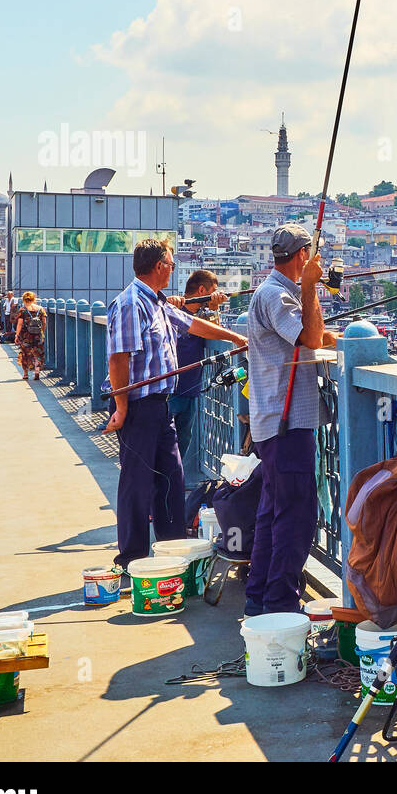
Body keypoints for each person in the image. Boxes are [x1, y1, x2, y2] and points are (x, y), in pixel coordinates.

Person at [102, 239, 247, 574]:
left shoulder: (158, 302)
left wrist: (233, 337)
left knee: (171, 478)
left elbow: (191, 324)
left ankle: (171, 550)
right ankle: (131, 559)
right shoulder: (130, 303)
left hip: (162, 406)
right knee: (137, 483)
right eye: (170, 263)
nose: (172, 269)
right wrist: (121, 407)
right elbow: (118, 359)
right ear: (158, 266)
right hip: (139, 407)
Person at [244, 224, 336, 616]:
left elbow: (313, 335)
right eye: (310, 256)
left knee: (272, 512)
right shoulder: (278, 295)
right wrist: (312, 287)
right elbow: (311, 340)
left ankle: (259, 598)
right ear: (301, 256)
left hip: (273, 424)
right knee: (296, 517)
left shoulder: (274, 293)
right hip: (286, 426)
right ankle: (280, 604)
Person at [169, 270, 225, 495]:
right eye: (211, 292)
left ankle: (173, 491)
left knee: (182, 444)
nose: (214, 295)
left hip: (190, 391)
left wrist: (215, 309)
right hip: (169, 391)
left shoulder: (202, 316)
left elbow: (217, 334)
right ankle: (157, 496)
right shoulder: (173, 311)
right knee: (164, 446)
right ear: (201, 290)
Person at [14, 292, 46, 380]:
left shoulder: (23, 310)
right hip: (38, 335)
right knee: (38, 353)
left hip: (26, 335)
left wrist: (17, 335)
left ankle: (26, 374)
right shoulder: (40, 309)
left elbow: (20, 324)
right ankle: (37, 371)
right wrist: (42, 332)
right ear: (34, 299)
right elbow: (44, 322)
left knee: (25, 353)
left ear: (24, 300)